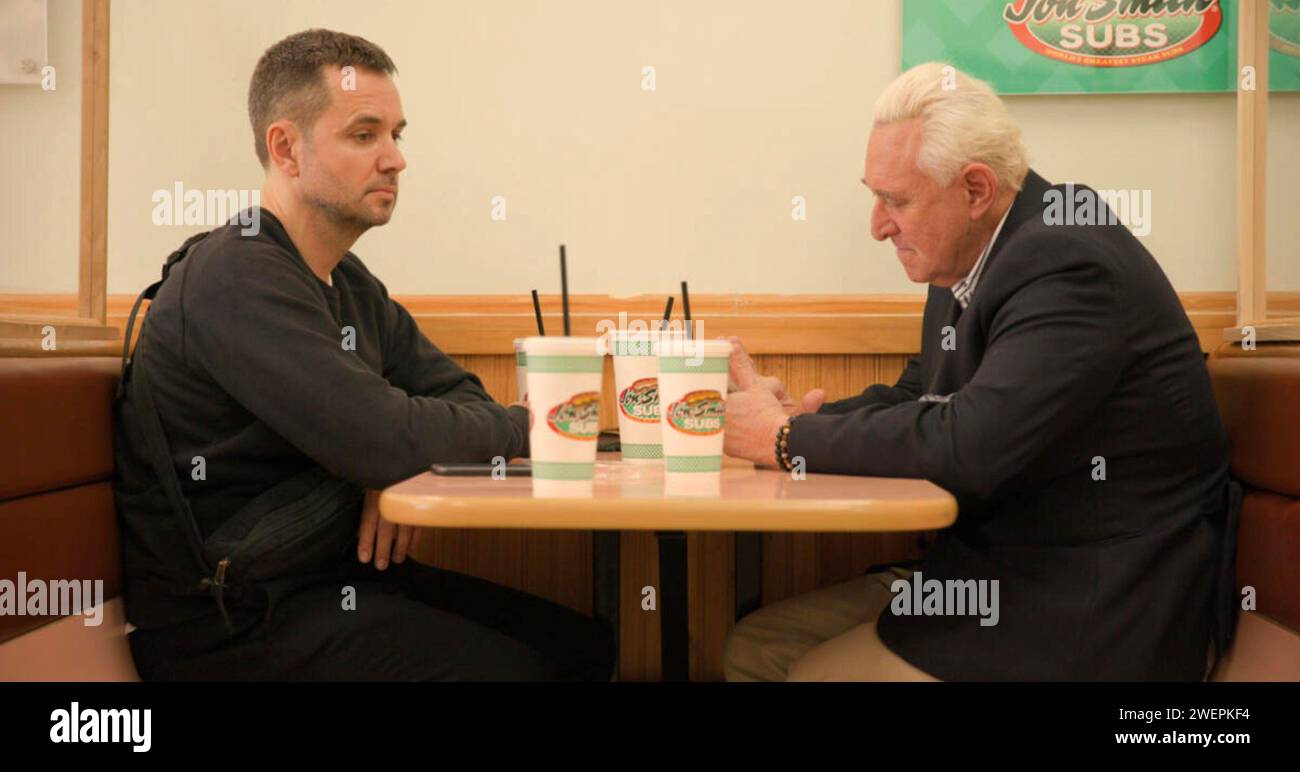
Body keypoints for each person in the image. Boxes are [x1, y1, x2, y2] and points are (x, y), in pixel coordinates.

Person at [114, 28, 613, 681]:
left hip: (333, 583)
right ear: (286, 148)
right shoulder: (236, 277)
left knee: (583, 646)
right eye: (364, 134)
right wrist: (516, 429)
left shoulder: (348, 283)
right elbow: (384, 435)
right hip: (230, 627)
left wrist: (389, 466)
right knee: (526, 672)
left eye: (396, 135)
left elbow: (450, 399)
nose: (395, 159)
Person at [720, 62, 1235, 682]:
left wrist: (779, 440)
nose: (877, 225)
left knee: (798, 671)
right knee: (755, 646)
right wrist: (799, 418)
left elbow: (967, 444)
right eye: (874, 195)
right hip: (994, 575)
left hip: (1089, 614)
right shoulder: (974, 249)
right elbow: (924, 396)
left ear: (975, 190)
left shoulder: (1067, 259)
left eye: (896, 200)